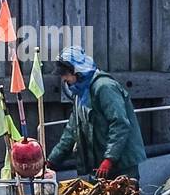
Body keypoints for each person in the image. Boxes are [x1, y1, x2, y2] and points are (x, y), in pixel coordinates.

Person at [46, 46, 147, 182]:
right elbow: (71, 133)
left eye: (65, 74)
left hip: (122, 165)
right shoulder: (79, 96)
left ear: (77, 71)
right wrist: (51, 162)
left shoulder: (105, 87)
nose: (64, 78)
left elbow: (120, 123)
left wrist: (109, 158)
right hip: (99, 167)